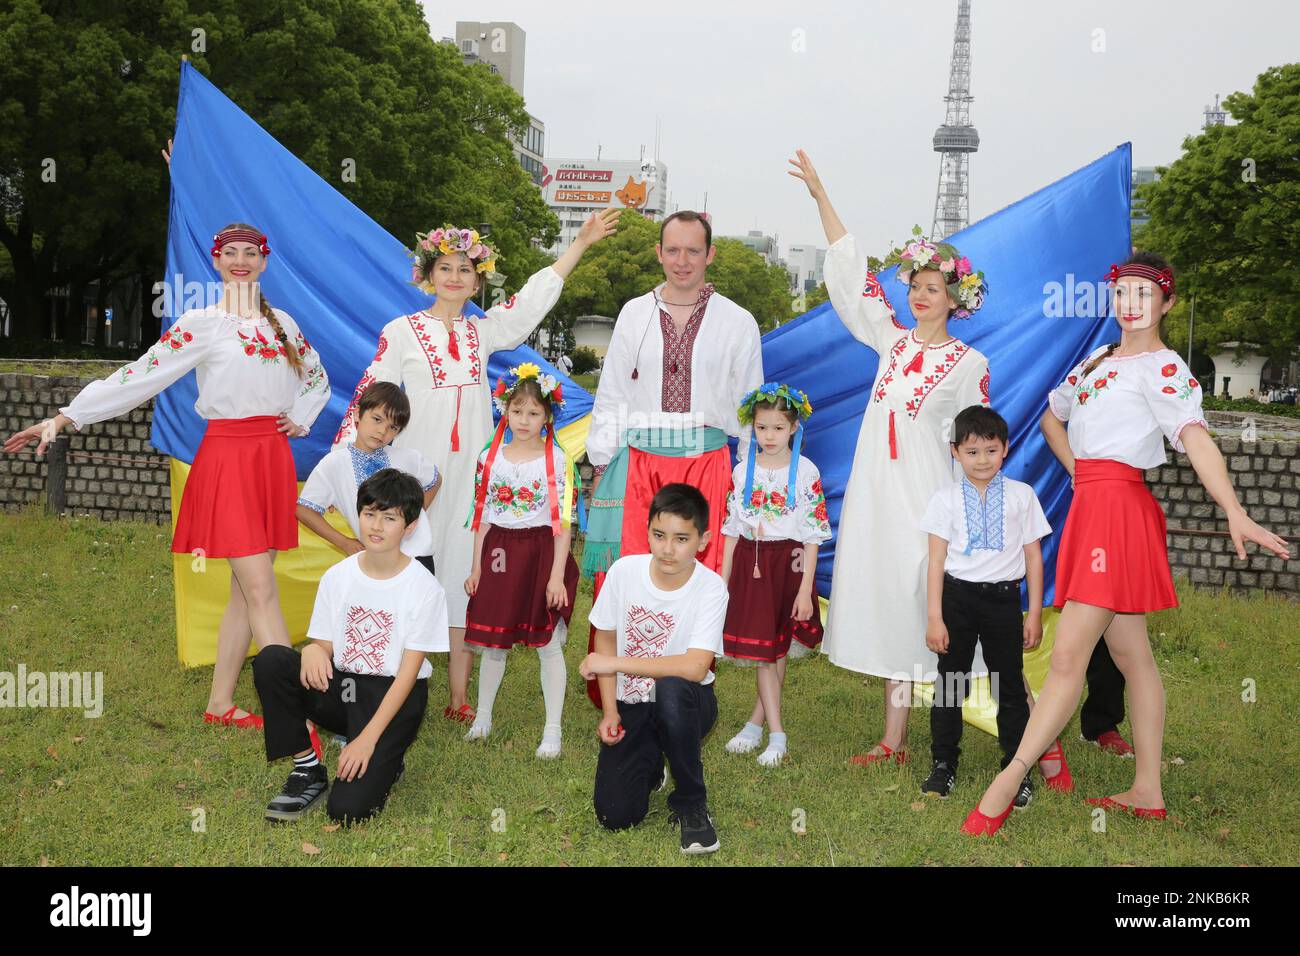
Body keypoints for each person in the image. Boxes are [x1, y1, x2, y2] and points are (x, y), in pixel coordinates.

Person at [963, 253, 1290, 835]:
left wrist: (1234, 510)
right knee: (1131, 655)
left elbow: (1195, 438)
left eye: (1144, 293)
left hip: (1120, 515)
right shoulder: (1097, 360)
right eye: (1122, 293)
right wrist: (1081, 473)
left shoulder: (1165, 368)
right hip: (1095, 504)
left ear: (1166, 304)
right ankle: (1147, 789)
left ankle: (1006, 781)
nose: (1131, 303)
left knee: (1067, 659)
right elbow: (1050, 418)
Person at [4, 222, 329, 727]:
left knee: (246, 591)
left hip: (271, 459)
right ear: (217, 262)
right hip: (228, 460)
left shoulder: (282, 322)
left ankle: (220, 705)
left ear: (264, 262)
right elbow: (138, 375)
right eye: (230, 253)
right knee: (262, 590)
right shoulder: (202, 323)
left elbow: (316, 377)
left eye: (251, 253)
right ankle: (292, 715)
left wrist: (301, 416)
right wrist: (66, 416)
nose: (241, 261)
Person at [335, 211, 621, 723]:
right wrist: (352, 456)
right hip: (417, 475)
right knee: (404, 567)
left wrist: (578, 243)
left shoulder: (483, 332)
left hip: (471, 476)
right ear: (426, 274)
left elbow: (533, 299)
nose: (454, 277)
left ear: (478, 279)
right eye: (444, 267)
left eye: (466, 270)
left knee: (464, 575)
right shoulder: (400, 332)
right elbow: (371, 394)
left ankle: (459, 697)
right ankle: (381, 676)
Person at [790, 150, 991, 766]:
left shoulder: (968, 366)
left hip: (929, 505)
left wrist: (974, 522)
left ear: (956, 298)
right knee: (887, 610)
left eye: (934, 289)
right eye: (916, 287)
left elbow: (977, 451)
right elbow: (853, 280)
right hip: (880, 500)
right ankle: (893, 739)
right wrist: (823, 196)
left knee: (950, 623)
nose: (921, 296)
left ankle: (1014, 725)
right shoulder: (891, 343)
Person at [581, 210, 764, 705]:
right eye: (673, 250)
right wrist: (602, 463)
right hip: (640, 463)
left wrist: (748, 478)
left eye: (693, 250)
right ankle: (625, 689)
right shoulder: (633, 314)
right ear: (658, 252)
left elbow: (750, 405)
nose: (682, 261)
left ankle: (685, 686)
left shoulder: (738, 321)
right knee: (639, 565)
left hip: (707, 462)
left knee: (697, 570)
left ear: (710, 255)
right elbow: (614, 394)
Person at [254, 469, 449, 824]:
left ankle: (388, 759)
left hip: (394, 695)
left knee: (347, 811)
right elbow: (324, 643)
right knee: (271, 661)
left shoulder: (424, 588)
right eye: (369, 513)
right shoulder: (338, 576)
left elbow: (407, 676)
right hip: (345, 687)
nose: (376, 525)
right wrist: (315, 649)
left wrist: (367, 740)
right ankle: (307, 769)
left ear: (409, 527)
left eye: (389, 518)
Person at [918, 405, 1057, 808]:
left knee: (1009, 686)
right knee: (950, 684)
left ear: (1006, 450)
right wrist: (934, 617)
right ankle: (944, 764)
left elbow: (1034, 558)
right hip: (956, 599)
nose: (982, 461)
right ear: (955, 452)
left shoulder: (1022, 496)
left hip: (1003, 600)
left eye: (991, 451)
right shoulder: (944, 499)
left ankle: (1017, 769)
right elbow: (937, 560)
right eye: (973, 452)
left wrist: (1032, 614)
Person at [581, 484, 728, 855]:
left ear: (703, 540)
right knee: (615, 815)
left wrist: (612, 664)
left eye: (681, 538)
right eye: (659, 535)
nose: (667, 548)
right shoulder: (624, 572)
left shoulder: (711, 588)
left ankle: (691, 805)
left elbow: (695, 667)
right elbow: (606, 637)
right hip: (633, 704)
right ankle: (653, 764)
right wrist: (611, 712)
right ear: (646, 530)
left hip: (688, 704)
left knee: (671, 690)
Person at [462, 364, 580, 758]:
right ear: (505, 410)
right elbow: (482, 517)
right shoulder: (490, 457)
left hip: (541, 552)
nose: (524, 420)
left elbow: (562, 523)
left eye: (533, 412)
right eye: (517, 411)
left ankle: (552, 729)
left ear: (547, 415)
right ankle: (482, 718)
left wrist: (557, 576)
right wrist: (477, 567)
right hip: (499, 552)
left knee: (546, 642)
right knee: (495, 642)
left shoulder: (558, 461)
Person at [718, 384, 830, 767]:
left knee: (773, 650)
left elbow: (813, 537)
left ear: (794, 427)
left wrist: (804, 591)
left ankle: (775, 734)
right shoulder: (741, 470)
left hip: (790, 564)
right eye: (762, 428)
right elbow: (732, 531)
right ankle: (756, 725)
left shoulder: (805, 472)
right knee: (771, 649)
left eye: (778, 428)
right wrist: (723, 581)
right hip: (753, 565)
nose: (769, 436)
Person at [296, 382, 440, 568]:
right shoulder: (334, 464)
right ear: (358, 414)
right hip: (376, 558)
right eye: (377, 419)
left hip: (418, 558)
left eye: (393, 428)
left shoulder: (408, 457)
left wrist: (411, 514)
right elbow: (304, 510)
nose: (382, 431)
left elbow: (435, 480)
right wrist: (344, 542)